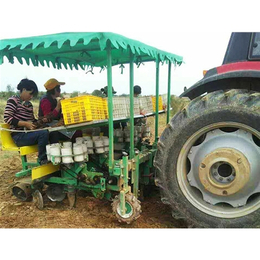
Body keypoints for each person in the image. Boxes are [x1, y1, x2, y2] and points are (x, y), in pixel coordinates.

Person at [4, 78, 49, 165]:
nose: (31, 97)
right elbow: (7, 118)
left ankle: (51, 157)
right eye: (30, 94)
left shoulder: (29, 105)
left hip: (28, 133)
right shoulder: (13, 100)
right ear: (24, 90)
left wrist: (41, 122)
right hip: (18, 136)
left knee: (49, 131)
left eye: (33, 95)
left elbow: (32, 121)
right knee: (43, 134)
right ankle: (43, 160)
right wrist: (25, 124)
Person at [39, 78, 82, 144]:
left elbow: (59, 115)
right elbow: (47, 118)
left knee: (77, 129)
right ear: (55, 90)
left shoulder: (53, 99)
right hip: (49, 126)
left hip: (56, 124)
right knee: (76, 132)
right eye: (58, 88)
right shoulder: (45, 101)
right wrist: (58, 106)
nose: (60, 90)